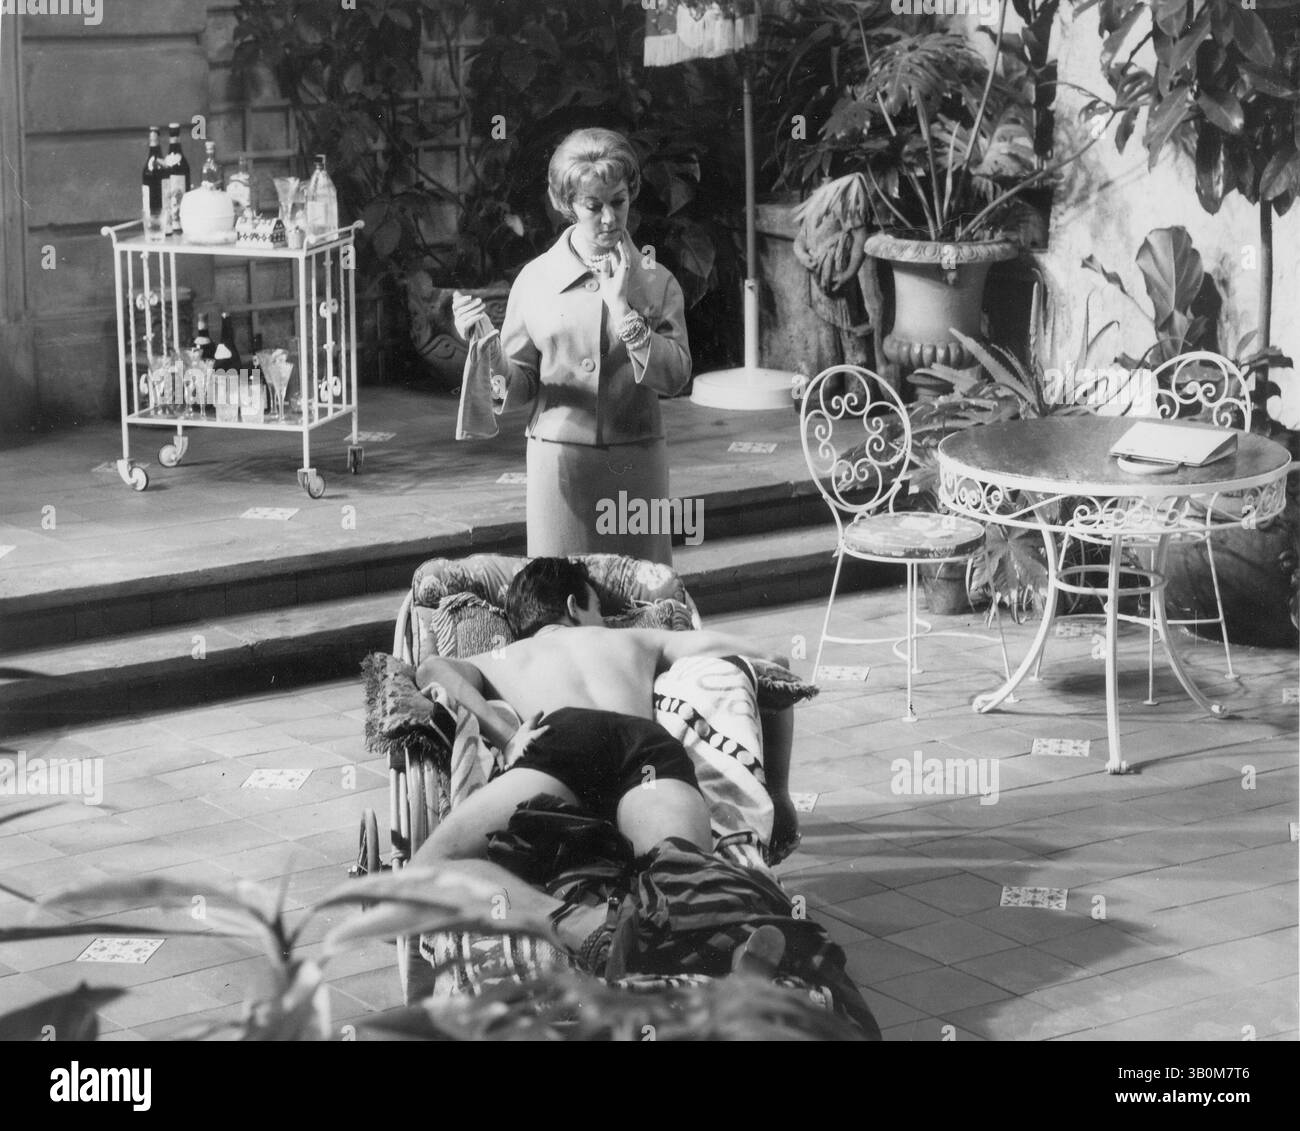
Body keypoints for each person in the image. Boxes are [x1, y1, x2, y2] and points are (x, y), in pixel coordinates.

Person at [411, 557, 794, 867]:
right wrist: (780, 794)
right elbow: (769, 660)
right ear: (573, 607)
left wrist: (506, 735)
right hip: (642, 751)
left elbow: (431, 669)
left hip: (560, 742)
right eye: (599, 609)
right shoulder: (633, 638)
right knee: (683, 878)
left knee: (433, 865)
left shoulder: (503, 658)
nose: (605, 620)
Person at [452, 128, 691, 566]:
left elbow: (676, 377)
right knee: (560, 605)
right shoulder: (536, 279)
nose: (608, 219)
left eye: (618, 201)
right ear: (566, 205)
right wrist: (489, 351)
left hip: (635, 462)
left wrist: (624, 313)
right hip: (558, 466)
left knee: (644, 600)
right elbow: (521, 386)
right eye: (592, 206)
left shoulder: (657, 280)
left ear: (630, 195)